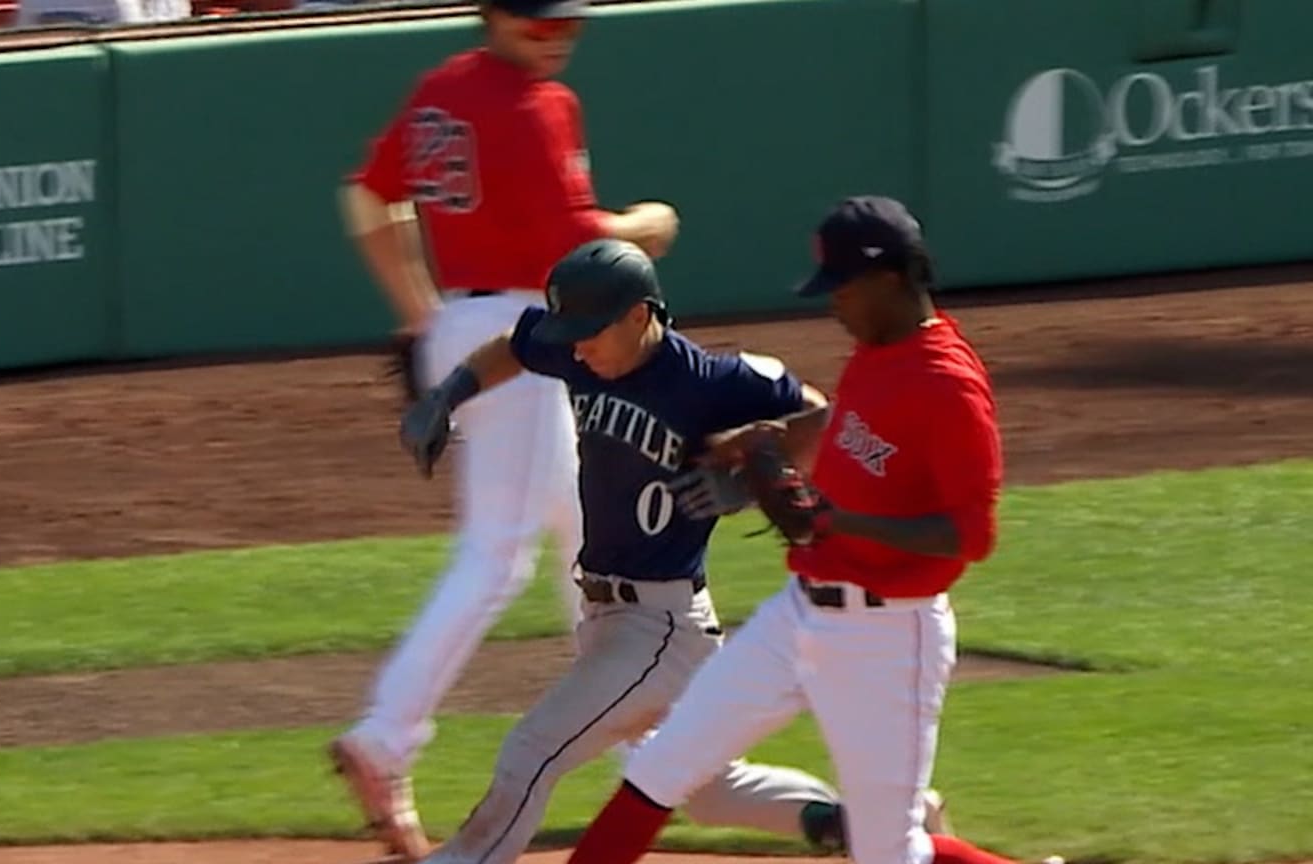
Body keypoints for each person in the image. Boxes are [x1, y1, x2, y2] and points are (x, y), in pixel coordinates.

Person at [563, 197, 1060, 864]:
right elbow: (842, 424)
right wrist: (762, 438)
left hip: (890, 638)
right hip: (797, 616)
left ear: (888, 281)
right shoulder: (878, 348)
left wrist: (837, 520)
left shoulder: (949, 386)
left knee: (891, 852)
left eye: (842, 288)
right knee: (660, 768)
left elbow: (969, 535)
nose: (833, 304)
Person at [331, 0, 681, 857]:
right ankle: (386, 735)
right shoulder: (535, 103)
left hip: (472, 322)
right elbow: (576, 247)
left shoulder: (443, 87)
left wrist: (419, 316)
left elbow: (367, 195)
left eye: (566, 21)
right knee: (498, 553)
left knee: (581, 537)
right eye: (535, 18)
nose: (553, 33)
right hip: (528, 333)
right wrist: (647, 227)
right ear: (492, 13)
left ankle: (645, 734)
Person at [394, 237, 863, 864]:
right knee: (705, 786)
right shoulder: (582, 349)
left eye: (590, 332)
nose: (578, 346)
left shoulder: (712, 381)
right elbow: (518, 344)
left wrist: (751, 468)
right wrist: (447, 394)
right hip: (618, 620)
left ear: (640, 316)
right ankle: (855, 825)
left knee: (533, 752)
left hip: (660, 629)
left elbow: (828, 418)